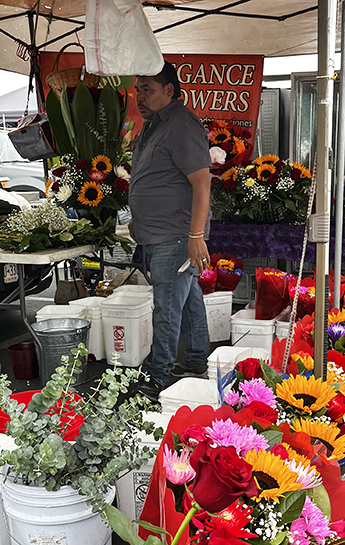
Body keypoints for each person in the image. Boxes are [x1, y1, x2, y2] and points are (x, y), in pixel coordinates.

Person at [128, 62, 211, 401]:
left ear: (169, 92)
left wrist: (195, 237)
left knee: (166, 308)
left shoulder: (181, 125)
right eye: (137, 90)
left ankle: (156, 373)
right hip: (160, 232)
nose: (140, 97)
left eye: (147, 89)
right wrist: (139, 218)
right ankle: (193, 361)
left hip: (176, 235)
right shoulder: (152, 126)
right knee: (187, 299)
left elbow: (201, 182)